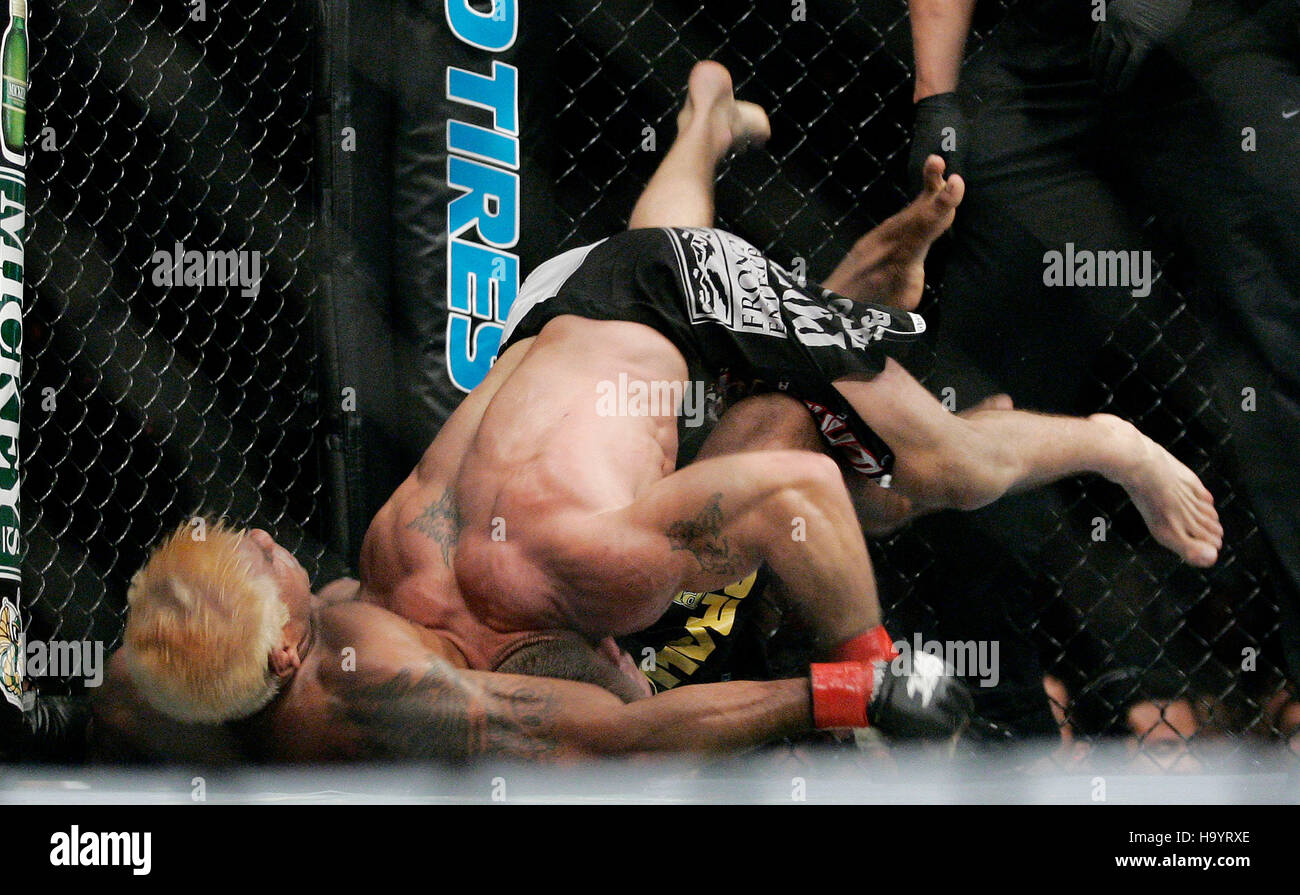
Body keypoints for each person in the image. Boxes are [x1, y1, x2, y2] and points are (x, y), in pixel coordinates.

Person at [96, 61, 1217, 762]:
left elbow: (789, 501)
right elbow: (601, 720)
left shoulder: (561, 577)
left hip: (664, 291)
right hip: (555, 318)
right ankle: (707, 130)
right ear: (283, 647)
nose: (252, 534)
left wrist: (863, 677)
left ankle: (1107, 443)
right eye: (249, 563)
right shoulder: (370, 608)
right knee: (773, 416)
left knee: (938, 471)